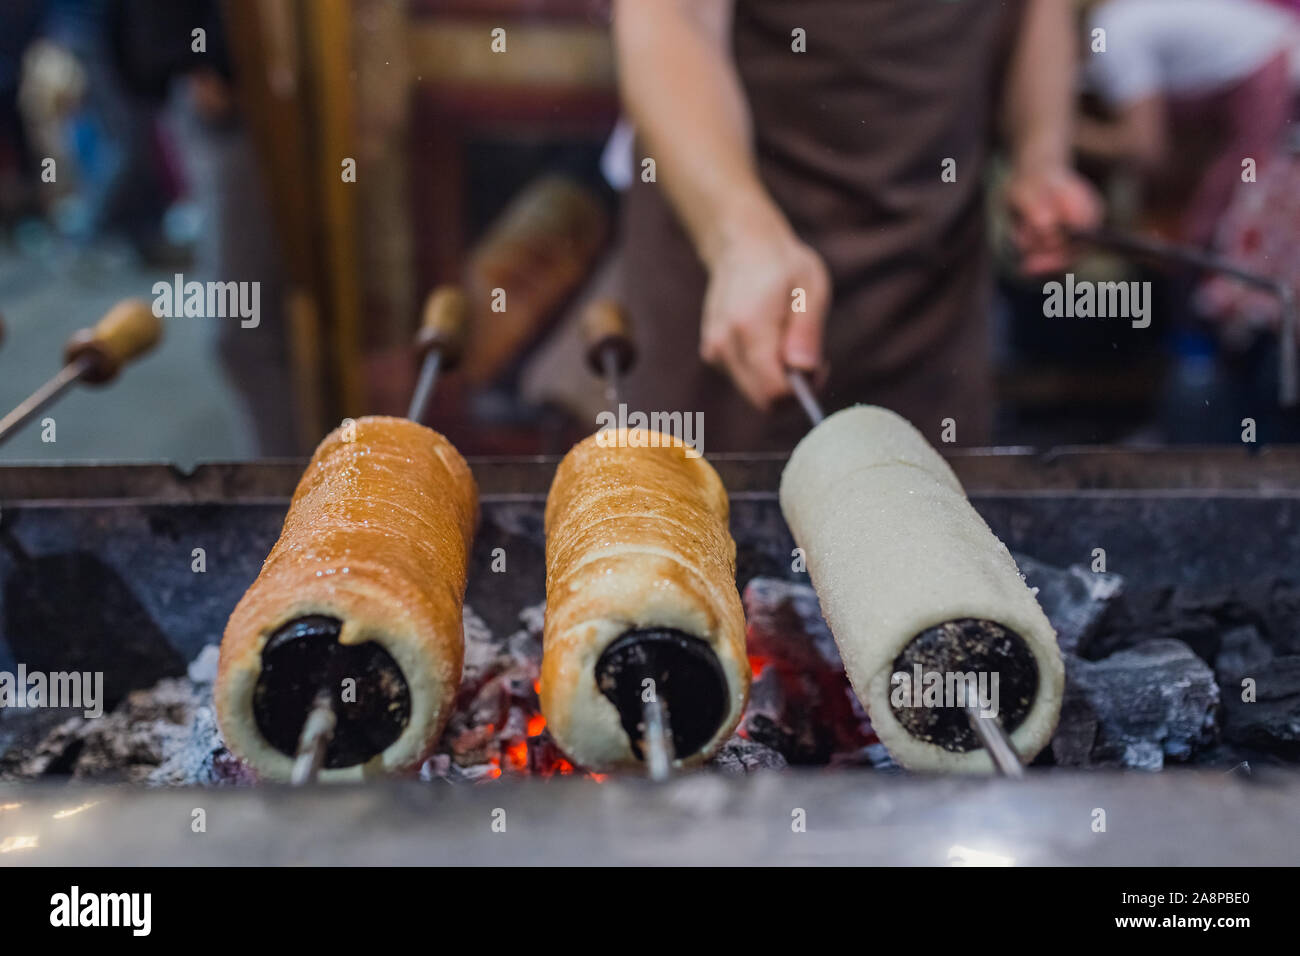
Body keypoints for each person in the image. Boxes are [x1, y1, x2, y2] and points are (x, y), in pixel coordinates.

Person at [607, 0, 1101, 450]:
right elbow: (671, 19)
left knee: (927, 522)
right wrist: (741, 236)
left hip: (933, 292)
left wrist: (1041, 156)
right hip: (744, 285)